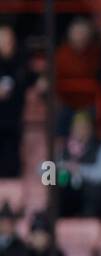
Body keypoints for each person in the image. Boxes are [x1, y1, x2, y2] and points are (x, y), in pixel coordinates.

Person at [0, 23, 33, 178]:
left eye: (10, 40)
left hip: (14, 118)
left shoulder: (21, 61)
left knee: (12, 157)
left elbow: (29, 80)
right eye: (4, 41)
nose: (8, 44)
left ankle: (13, 192)